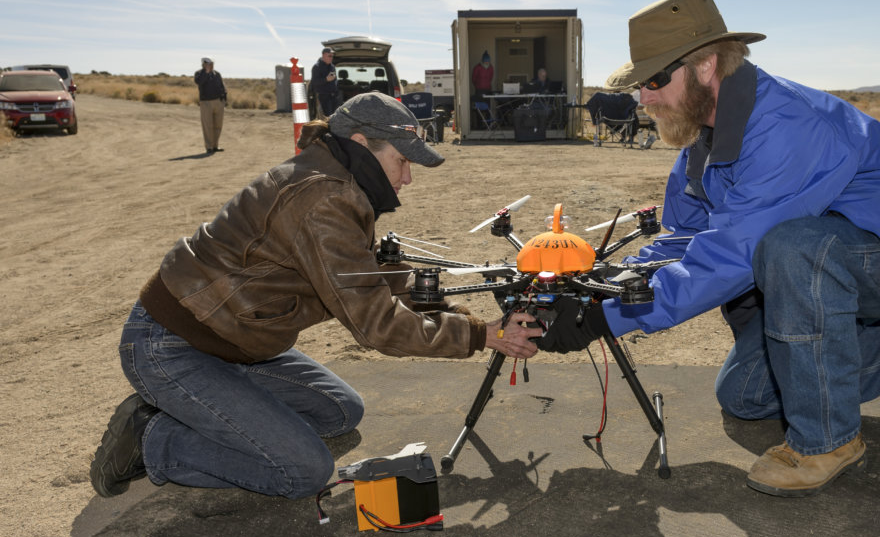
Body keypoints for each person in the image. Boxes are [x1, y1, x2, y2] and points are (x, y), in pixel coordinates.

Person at [537, 0, 880, 497]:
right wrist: (607, 287)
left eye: (654, 82)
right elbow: (685, 239)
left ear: (704, 66)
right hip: (821, 270)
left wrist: (605, 319)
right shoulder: (704, 139)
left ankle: (827, 441)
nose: (644, 100)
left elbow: (733, 255)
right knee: (744, 396)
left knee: (791, 246)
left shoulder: (786, 127)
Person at [89, 92, 541, 500]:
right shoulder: (324, 198)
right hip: (173, 344)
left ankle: (218, 407)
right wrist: (479, 335)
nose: (407, 177)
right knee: (301, 472)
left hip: (235, 342)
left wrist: (460, 311)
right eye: (402, 161)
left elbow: (371, 280)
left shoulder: (335, 180)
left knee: (340, 411)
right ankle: (153, 438)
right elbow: (376, 324)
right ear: (363, 143)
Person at [194, 57, 227, 153]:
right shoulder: (199, 74)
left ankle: (215, 146)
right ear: (203, 64)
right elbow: (199, 82)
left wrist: (224, 98)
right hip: (206, 103)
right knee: (208, 125)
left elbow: (222, 86)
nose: (211, 65)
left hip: (218, 102)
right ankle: (209, 147)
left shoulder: (217, 74)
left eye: (212, 64)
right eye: (208, 64)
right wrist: (206, 72)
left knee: (218, 125)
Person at [310, 47, 341, 118]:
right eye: (329, 56)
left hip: (334, 97)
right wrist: (326, 79)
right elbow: (314, 82)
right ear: (323, 55)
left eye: (332, 56)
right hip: (323, 98)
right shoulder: (316, 67)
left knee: (335, 117)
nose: (331, 57)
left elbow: (334, 80)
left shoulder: (332, 67)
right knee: (327, 118)